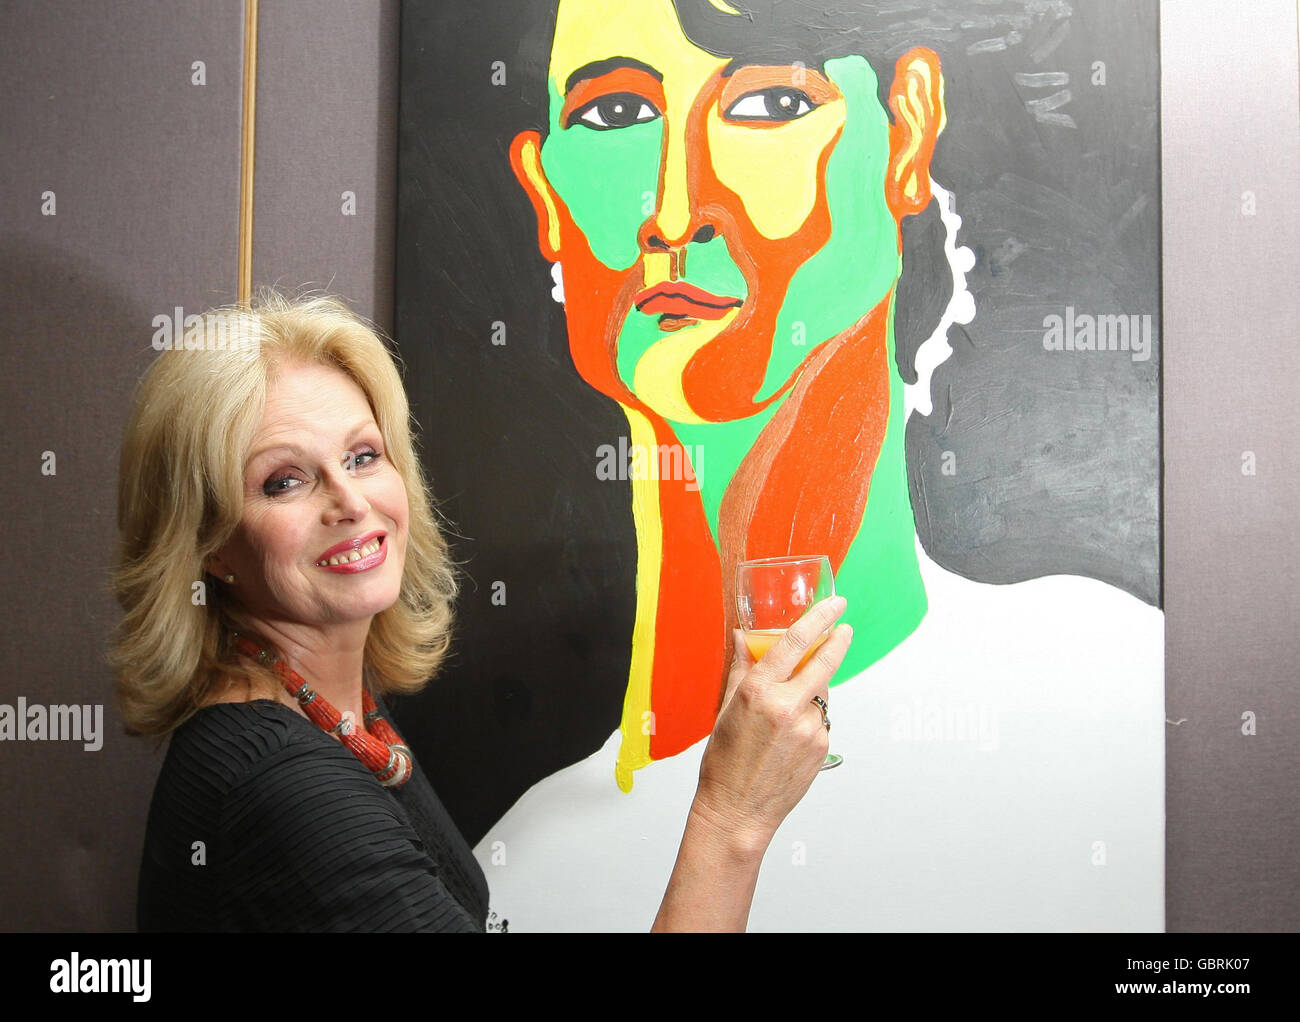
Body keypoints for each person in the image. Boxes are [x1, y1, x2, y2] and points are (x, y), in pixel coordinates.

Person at [477, 0, 1164, 931]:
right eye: (615, 117)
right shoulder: (524, 872)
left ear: (907, 132)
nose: (676, 208)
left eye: (767, 107)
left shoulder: (1111, 696)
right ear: (546, 196)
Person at [112, 290, 852, 932]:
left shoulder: (335, 718)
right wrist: (732, 819)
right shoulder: (283, 788)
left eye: (364, 456)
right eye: (283, 481)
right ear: (207, 540)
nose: (351, 502)